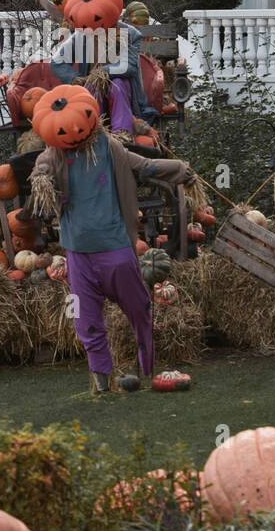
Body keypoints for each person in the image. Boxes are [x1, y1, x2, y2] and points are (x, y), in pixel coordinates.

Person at [29, 94, 194, 392]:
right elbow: (42, 169)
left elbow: (144, 166)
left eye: (78, 126)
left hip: (115, 249)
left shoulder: (109, 148)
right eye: (63, 130)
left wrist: (180, 170)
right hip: (78, 255)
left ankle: (147, 368)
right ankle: (102, 382)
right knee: (86, 321)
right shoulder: (53, 156)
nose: (73, 132)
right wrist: (42, 180)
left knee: (139, 308)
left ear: (91, 117)